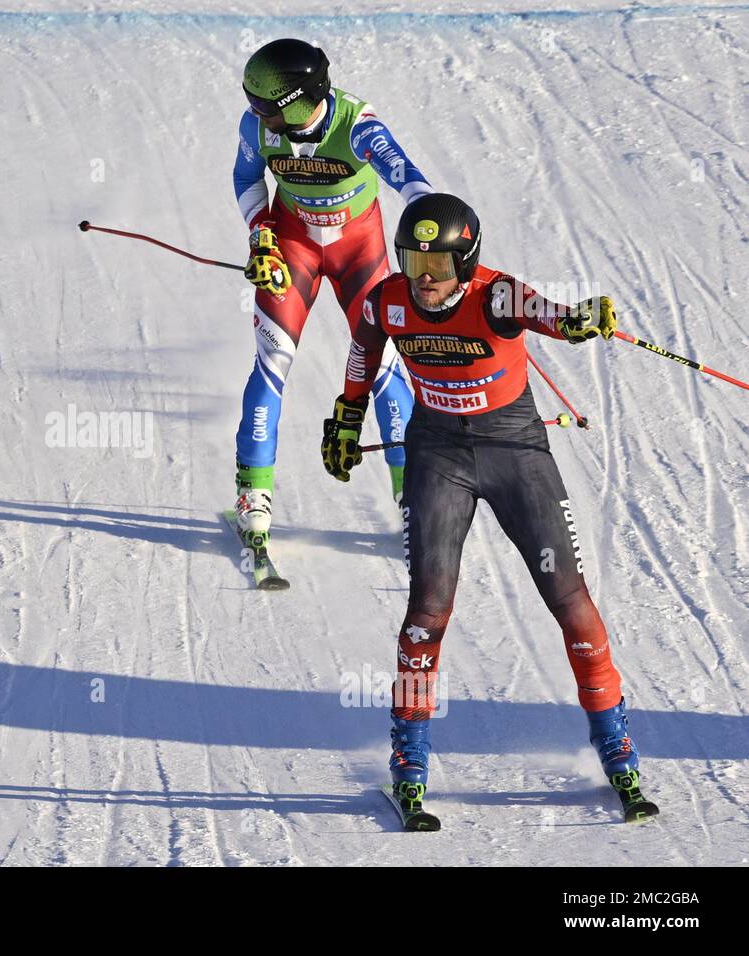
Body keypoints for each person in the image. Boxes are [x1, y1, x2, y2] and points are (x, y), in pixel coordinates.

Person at [321, 192, 656, 821]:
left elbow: (551, 314)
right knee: (429, 607)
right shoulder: (388, 298)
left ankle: (616, 746)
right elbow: (365, 348)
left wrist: (581, 319)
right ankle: (410, 758)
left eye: (439, 267)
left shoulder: (495, 296)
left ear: (467, 261)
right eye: (413, 261)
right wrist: (346, 417)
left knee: (569, 599)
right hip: (438, 452)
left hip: (513, 451)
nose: (424, 279)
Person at [232, 37, 432, 547]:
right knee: (272, 362)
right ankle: (253, 492)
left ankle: (412, 496)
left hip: (357, 251)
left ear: (300, 100)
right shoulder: (257, 126)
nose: (257, 117)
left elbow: (407, 177)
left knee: (384, 366)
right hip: (291, 247)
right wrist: (260, 236)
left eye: (267, 109)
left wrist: (435, 216)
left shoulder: (358, 126)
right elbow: (246, 176)